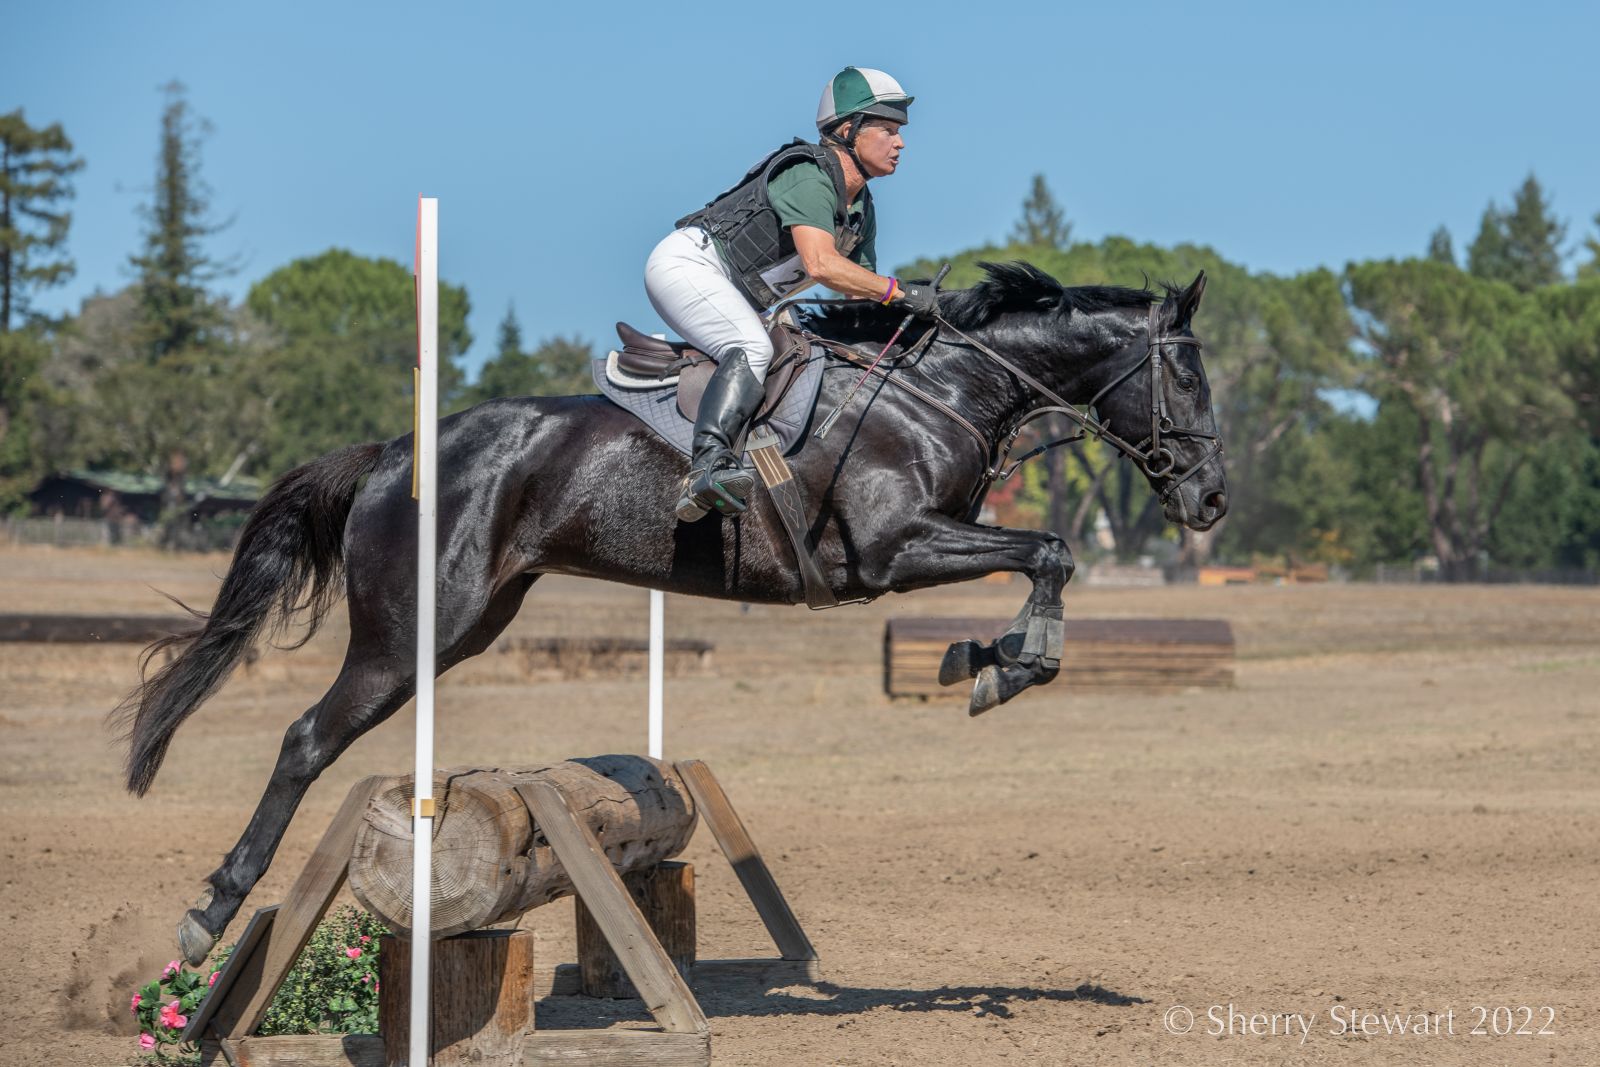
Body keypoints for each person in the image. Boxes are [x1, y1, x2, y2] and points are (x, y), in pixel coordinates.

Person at [646, 66, 940, 522]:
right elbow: (823, 265)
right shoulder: (807, 175)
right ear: (848, 130)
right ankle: (705, 467)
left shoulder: (860, 207)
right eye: (886, 129)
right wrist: (898, 292)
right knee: (751, 346)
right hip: (687, 266)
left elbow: (858, 296)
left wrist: (920, 313)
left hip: (738, 294)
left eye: (899, 132)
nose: (899, 142)